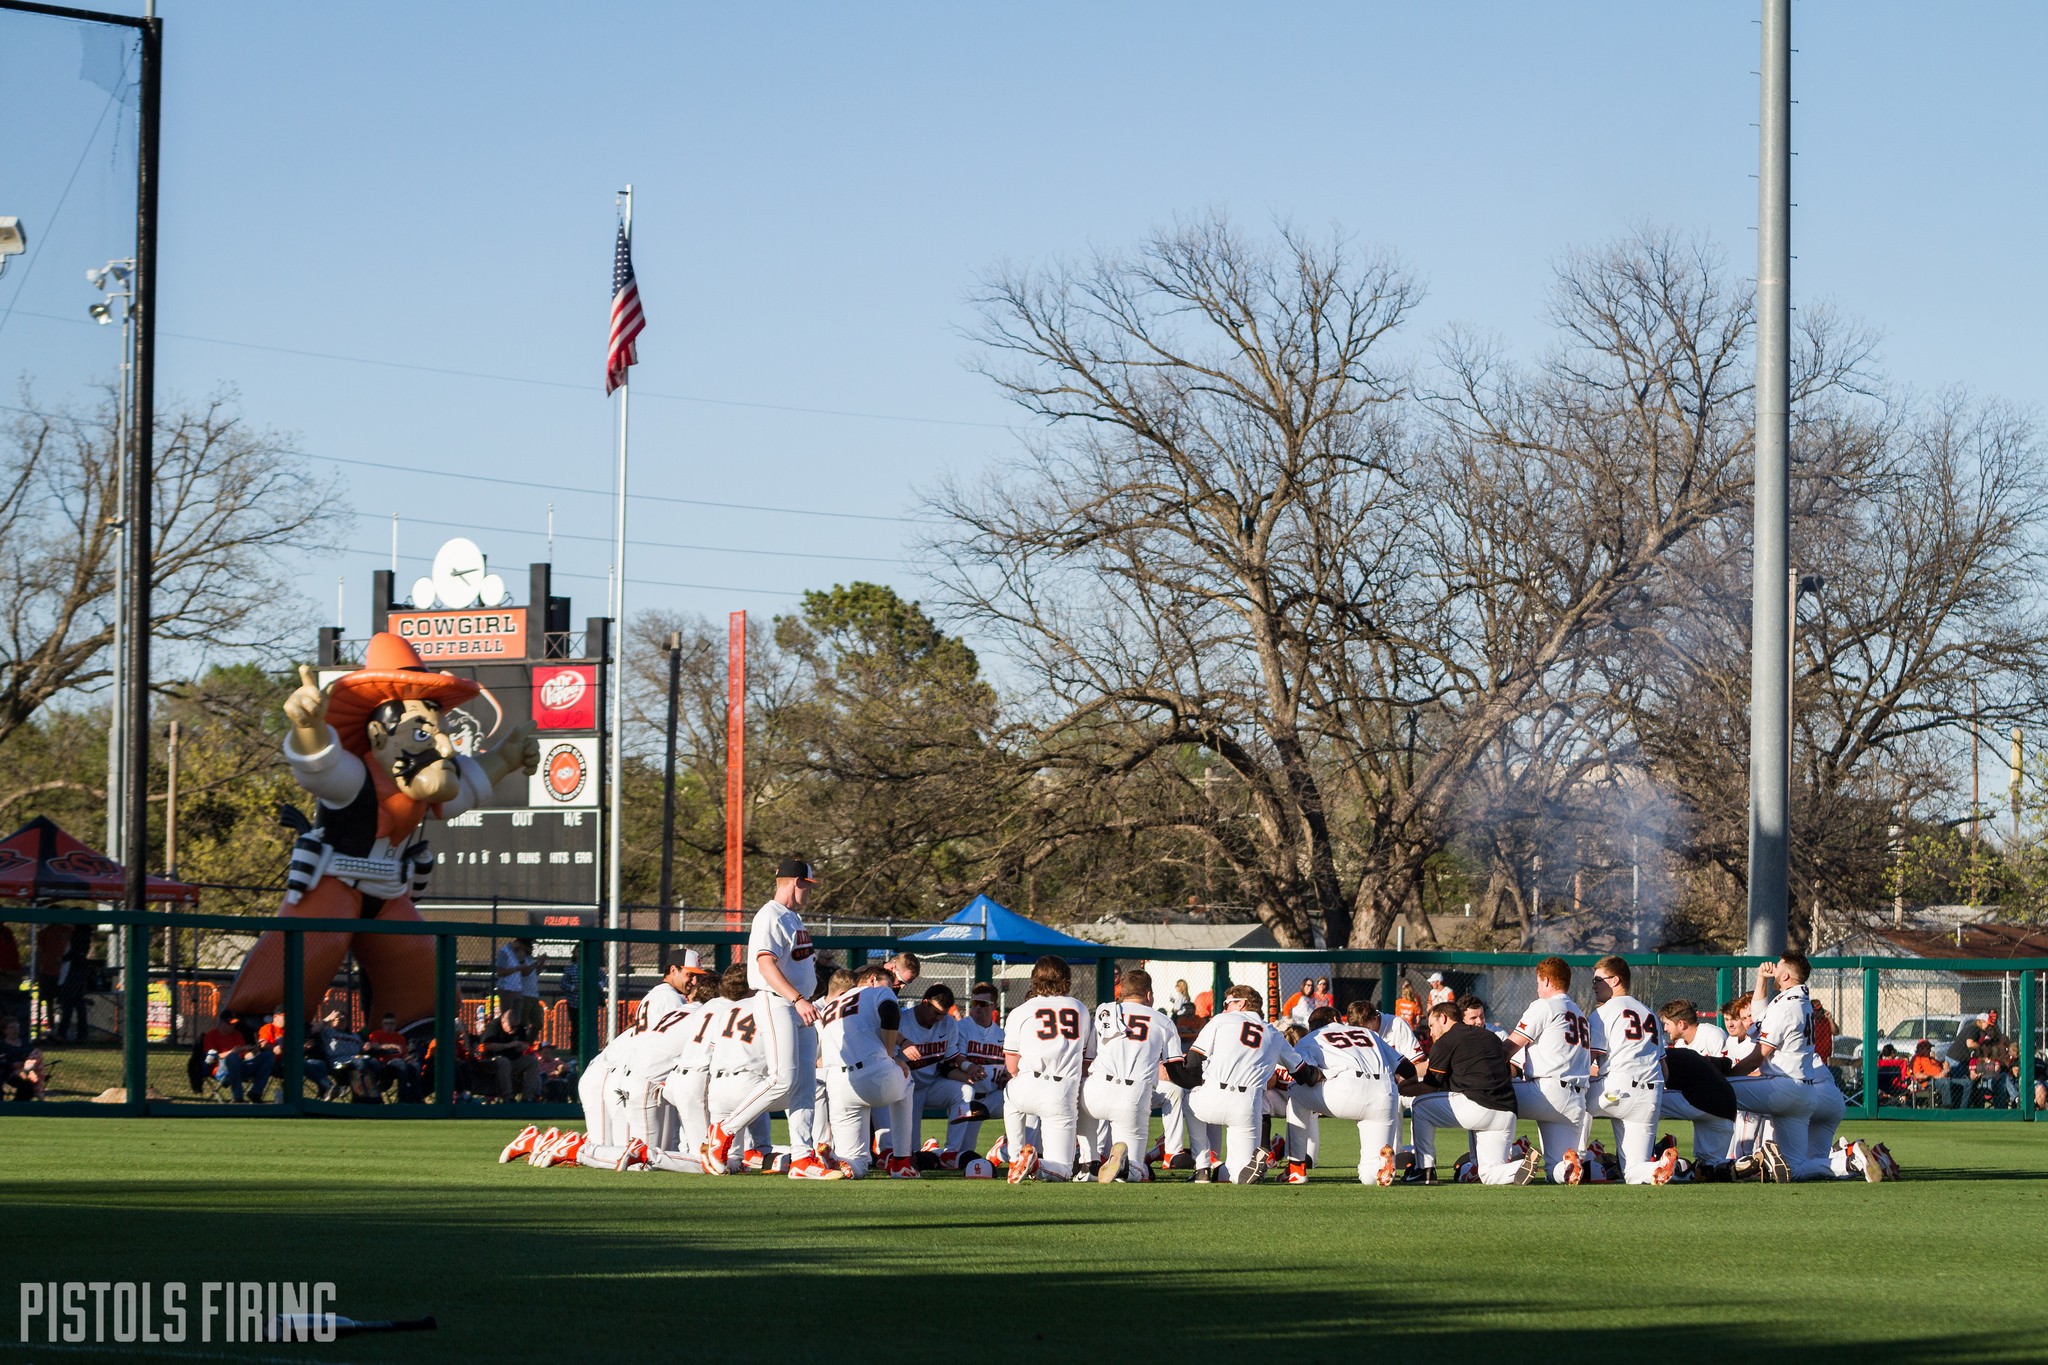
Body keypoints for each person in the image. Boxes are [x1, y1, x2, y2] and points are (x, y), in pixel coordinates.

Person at [703, 856, 828, 1179]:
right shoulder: (770, 916)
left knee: (803, 1086)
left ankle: (802, 1157)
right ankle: (725, 1130)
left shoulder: (793, 918)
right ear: (797, 882)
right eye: (808, 886)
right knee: (782, 1079)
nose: (810, 893)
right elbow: (765, 964)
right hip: (778, 1002)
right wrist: (797, 998)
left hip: (797, 1004)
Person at [1727, 953, 1849, 1182]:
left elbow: (1757, 1057)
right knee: (1796, 1168)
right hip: (1806, 1092)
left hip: (1784, 1088)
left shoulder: (1786, 1007)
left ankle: (1718, 1160)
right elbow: (1761, 1017)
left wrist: (1724, 1076)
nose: (1774, 969)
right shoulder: (1796, 1001)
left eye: (1779, 967)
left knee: (1722, 1091)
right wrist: (1761, 978)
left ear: (1785, 975)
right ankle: (1849, 1162)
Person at [1180, 984, 1308, 1184]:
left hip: (1213, 1096)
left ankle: (1203, 1167)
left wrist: (1197, 1083)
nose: (1224, 1008)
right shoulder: (1273, 1033)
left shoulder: (1221, 1020)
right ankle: (1234, 1169)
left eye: (1227, 1003)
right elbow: (1301, 1071)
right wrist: (1318, 1076)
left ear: (1241, 1003)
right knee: (1237, 1175)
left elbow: (1194, 1061)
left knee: (1188, 1098)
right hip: (1248, 1105)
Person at [1402, 1001, 1536, 1185]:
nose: (1431, 1032)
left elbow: (1430, 1086)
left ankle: (1424, 1170)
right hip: (1507, 1111)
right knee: (1489, 1174)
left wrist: (1401, 1089)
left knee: (1419, 1105)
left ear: (1443, 1017)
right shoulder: (1491, 1037)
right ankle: (1521, 1165)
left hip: (1478, 1107)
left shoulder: (1446, 1041)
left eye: (1432, 1025)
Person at [1077, 968, 1183, 1183]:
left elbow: (1087, 1061)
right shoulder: (1164, 1021)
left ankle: (1089, 1163)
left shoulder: (1104, 1011)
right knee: (1138, 1171)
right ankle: (1127, 1168)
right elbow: (1175, 1070)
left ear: (1121, 992)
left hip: (1095, 1090)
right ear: (1149, 995)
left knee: (1081, 1098)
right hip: (1132, 1096)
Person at [1285, 1003, 1406, 1185]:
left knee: (1295, 1089)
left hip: (1347, 1091)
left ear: (1312, 1027)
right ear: (1336, 1019)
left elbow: (1306, 1077)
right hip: (1385, 1092)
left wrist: (1322, 1074)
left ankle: (1296, 1169)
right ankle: (1381, 1164)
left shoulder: (1312, 1038)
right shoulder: (1368, 1033)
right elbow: (1408, 1069)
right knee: (1369, 1178)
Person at [1499, 957, 1595, 1186]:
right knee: (1555, 1169)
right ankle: (1568, 1168)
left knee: (1482, 1098)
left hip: (1544, 1092)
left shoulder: (1544, 1005)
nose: (1538, 987)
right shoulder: (1579, 1013)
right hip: (1575, 1100)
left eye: (1539, 981)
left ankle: (1490, 1165)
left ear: (1547, 980)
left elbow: (1508, 1047)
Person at [1002, 955, 1096, 1183]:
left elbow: (1011, 1066)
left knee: (1010, 1095)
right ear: (1066, 979)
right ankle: (1036, 1163)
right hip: (1061, 1090)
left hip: (1027, 1084)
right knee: (1062, 1169)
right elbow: (1085, 1058)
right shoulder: (1079, 1008)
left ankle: (1015, 1157)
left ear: (1034, 978)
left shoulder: (1020, 1011)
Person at [815, 963, 913, 1179]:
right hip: (874, 1076)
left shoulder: (830, 1006)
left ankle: (845, 1163)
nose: (893, 987)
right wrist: (891, 1055)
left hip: (838, 1084)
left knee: (855, 1161)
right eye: (889, 982)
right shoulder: (878, 991)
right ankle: (901, 1161)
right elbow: (890, 1012)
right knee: (908, 1079)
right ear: (872, 980)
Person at [1588, 955, 1676, 1185]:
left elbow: (1587, 1059)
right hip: (1650, 1095)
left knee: (1568, 1099)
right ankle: (1659, 1165)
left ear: (1615, 980)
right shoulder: (1649, 1013)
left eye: (1598, 980)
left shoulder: (1603, 1012)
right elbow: (1664, 1070)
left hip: (1616, 1089)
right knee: (1633, 1171)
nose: (1594, 985)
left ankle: (1575, 1159)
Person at [1656, 1001, 1738, 1168]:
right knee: (1710, 1167)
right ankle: (1751, 1164)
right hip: (1724, 1105)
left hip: (1718, 1095)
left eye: (1667, 1024)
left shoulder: (1711, 1034)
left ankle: (1649, 1154)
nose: (1665, 1029)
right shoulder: (1680, 1045)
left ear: (1681, 1024)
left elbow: (1727, 1065)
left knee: (1643, 1102)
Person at [944, 982, 1008, 1167]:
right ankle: (935, 1152)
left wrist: (1006, 1077)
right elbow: (955, 1059)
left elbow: (1006, 1068)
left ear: (994, 1006)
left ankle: (1006, 1150)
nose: (977, 1008)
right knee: (963, 1156)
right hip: (968, 1099)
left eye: (983, 1004)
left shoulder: (1001, 1034)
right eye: (974, 1003)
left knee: (1027, 1104)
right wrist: (968, 1067)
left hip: (992, 1096)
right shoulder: (962, 1027)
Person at [193, 1012, 273, 1103]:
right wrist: (231, 1052)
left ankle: (255, 1093)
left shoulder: (237, 1034)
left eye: (234, 1024)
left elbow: (245, 1054)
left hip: (240, 1066)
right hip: (221, 1070)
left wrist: (252, 1054)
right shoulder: (211, 1035)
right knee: (232, 1057)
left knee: (267, 1056)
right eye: (230, 1024)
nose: (233, 1026)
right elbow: (212, 1058)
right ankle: (238, 1097)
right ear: (222, 1023)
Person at [480, 1006, 540, 1102]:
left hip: (514, 1059)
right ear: (503, 1022)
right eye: (511, 1027)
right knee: (504, 1062)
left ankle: (527, 1097)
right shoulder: (494, 1026)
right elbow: (485, 1046)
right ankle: (507, 1097)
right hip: (494, 1060)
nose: (515, 1030)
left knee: (532, 1061)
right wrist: (507, 1045)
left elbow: (526, 1044)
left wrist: (521, 1046)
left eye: (516, 1026)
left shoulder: (519, 1027)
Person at [361, 1012, 421, 1102]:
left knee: (416, 1065)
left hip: (400, 1061)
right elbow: (376, 1046)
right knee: (400, 1064)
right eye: (386, 1023)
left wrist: (409, 1058)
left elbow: (403, 1053)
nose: (389, 1026)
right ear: (382, 1025)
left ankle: (416, 1098)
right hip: (386, 1064)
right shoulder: (376, 1034)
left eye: (392, 1023)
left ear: (395, 1025)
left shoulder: (399, 1037)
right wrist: (392, 1046)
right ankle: (402, 1099)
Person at [495, 937, 544, 1036]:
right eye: (525, 947)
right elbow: (500, 972)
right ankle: (508, 1042)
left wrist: (540, 963)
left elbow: (532, 972)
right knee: (510, 1020)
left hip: (518, 990)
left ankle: (523, 1045)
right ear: (520, 944)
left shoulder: (523, 956)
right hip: (508, 989)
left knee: (521, 1022)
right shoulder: (506, 952)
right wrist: (518, 968)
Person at [1, 1016, 45, 1100]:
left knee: (27, 1082)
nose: (15, 1030)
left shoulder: (25, 1044)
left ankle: (20, 1106)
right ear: (5, 1030)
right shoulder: (2, 1045)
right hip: (8, 1073)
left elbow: (33, 1056)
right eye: (12, 1027)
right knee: (25, 1080)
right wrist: (12, 1064)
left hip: (28, 1071)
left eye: (17, 1027)